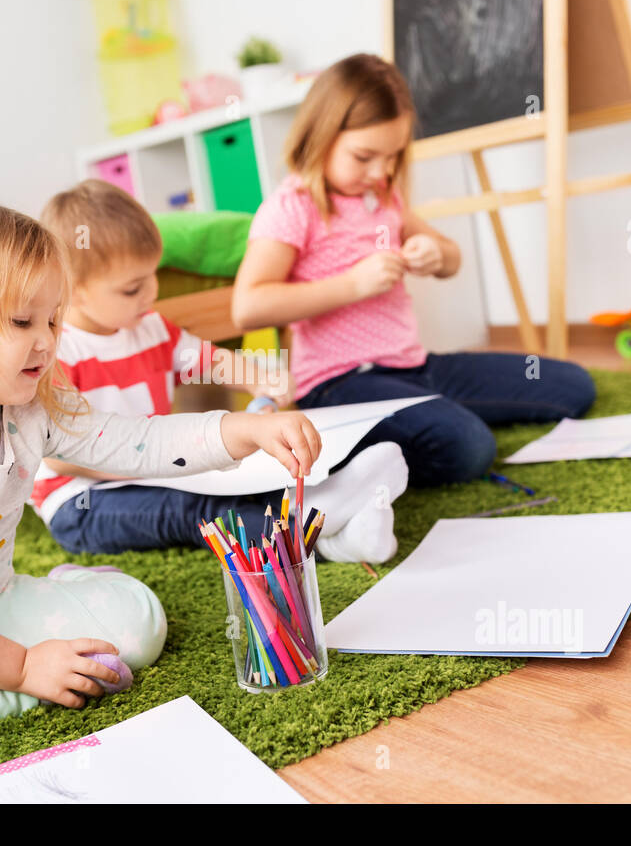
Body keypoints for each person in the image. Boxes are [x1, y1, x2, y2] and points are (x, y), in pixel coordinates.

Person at [0, 197, 321, 781]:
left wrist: (245, 428)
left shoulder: (27, 408)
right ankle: (23, 688)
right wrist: (22, 672)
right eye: (23, 322)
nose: (47, 341)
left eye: (53, 319)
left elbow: (133, 442)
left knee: (140, 623)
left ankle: (33, 648)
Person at [232, 53, 596, 487]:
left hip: (415, 367)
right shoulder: (292, 208)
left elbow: (452, 258)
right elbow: (248, 306)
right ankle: (365, 451)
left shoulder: (386, 198)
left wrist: (436, 253)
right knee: (469, 448)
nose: (381, 171)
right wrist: (353, 284)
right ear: (320, 137)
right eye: (364, 156)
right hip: (339, 385)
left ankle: (428, 414)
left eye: (392, 156)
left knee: (573, 387)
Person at [31, 179, 411, 564]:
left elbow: (208, 361)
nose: (150, 294)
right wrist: (151, 469)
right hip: (80, 501)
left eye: (153, 275)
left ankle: (330, 524)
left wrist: (263, 379)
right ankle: (318, 531)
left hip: (158, 471)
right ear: (72, 290)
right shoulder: (58, 350)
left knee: (229, 480)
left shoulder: (152, 328)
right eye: (132, 289)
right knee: (192, 510)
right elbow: (61, 456)